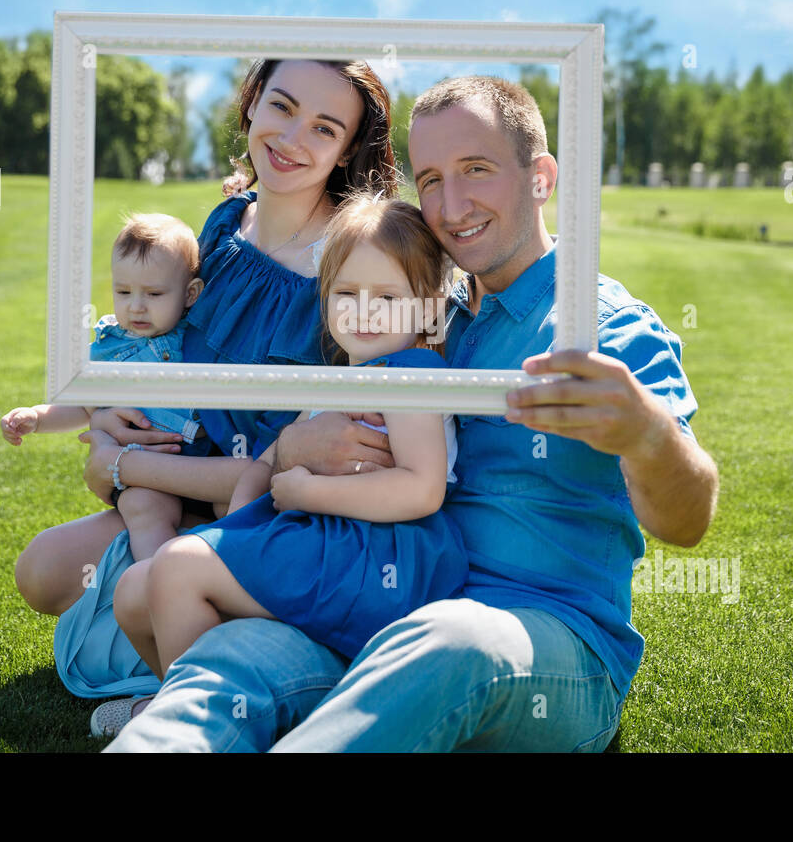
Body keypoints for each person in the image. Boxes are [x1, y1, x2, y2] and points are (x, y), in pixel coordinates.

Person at [105, 75, 720, 752]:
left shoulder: (601, 328)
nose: (451, 204)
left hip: (534, 641)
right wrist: (291, 450)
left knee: (449, 641)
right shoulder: (420, 318)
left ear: (541, 177)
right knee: (227, 666)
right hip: (379, 612)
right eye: (429, 178)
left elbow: (687, 521)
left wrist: (649, 436)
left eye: (476, 170)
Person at [13, 58, 399, 702]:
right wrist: (108, 415)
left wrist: (123, 465)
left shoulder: (351, 259)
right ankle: (192, 610)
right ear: (252, 103)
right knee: (42, 572)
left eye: (324, 128)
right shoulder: (225, 224)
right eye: (281, 106)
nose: (292, 137)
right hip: (189, 486)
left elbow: (294, 464)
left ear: (349, 148)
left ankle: (212, 669)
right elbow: (162, 350)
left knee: (153, 574)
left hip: (276, 505)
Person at [89, 195, 468, 736]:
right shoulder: (336, 375)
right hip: (316, 541)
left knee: (175, 571)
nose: (363, 311)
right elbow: (261, 472)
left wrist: (306, 495)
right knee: (135, 591)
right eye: (346, 294)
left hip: (377, 558)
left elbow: (422, 489)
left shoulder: (408, 374)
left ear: (427, 307)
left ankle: (199, 724)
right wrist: (235, 531)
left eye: (386, 296)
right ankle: (184, 695)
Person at [0, 213, 210, 562]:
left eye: (154, 293)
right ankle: (154, 579)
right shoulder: (109, 348)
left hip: (206, 463)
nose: (136, 306)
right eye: (123, 292)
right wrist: (37, 417)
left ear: (190, 294)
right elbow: (85, 407)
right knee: (145, 509)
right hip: (144, 471)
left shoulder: (200, 335)